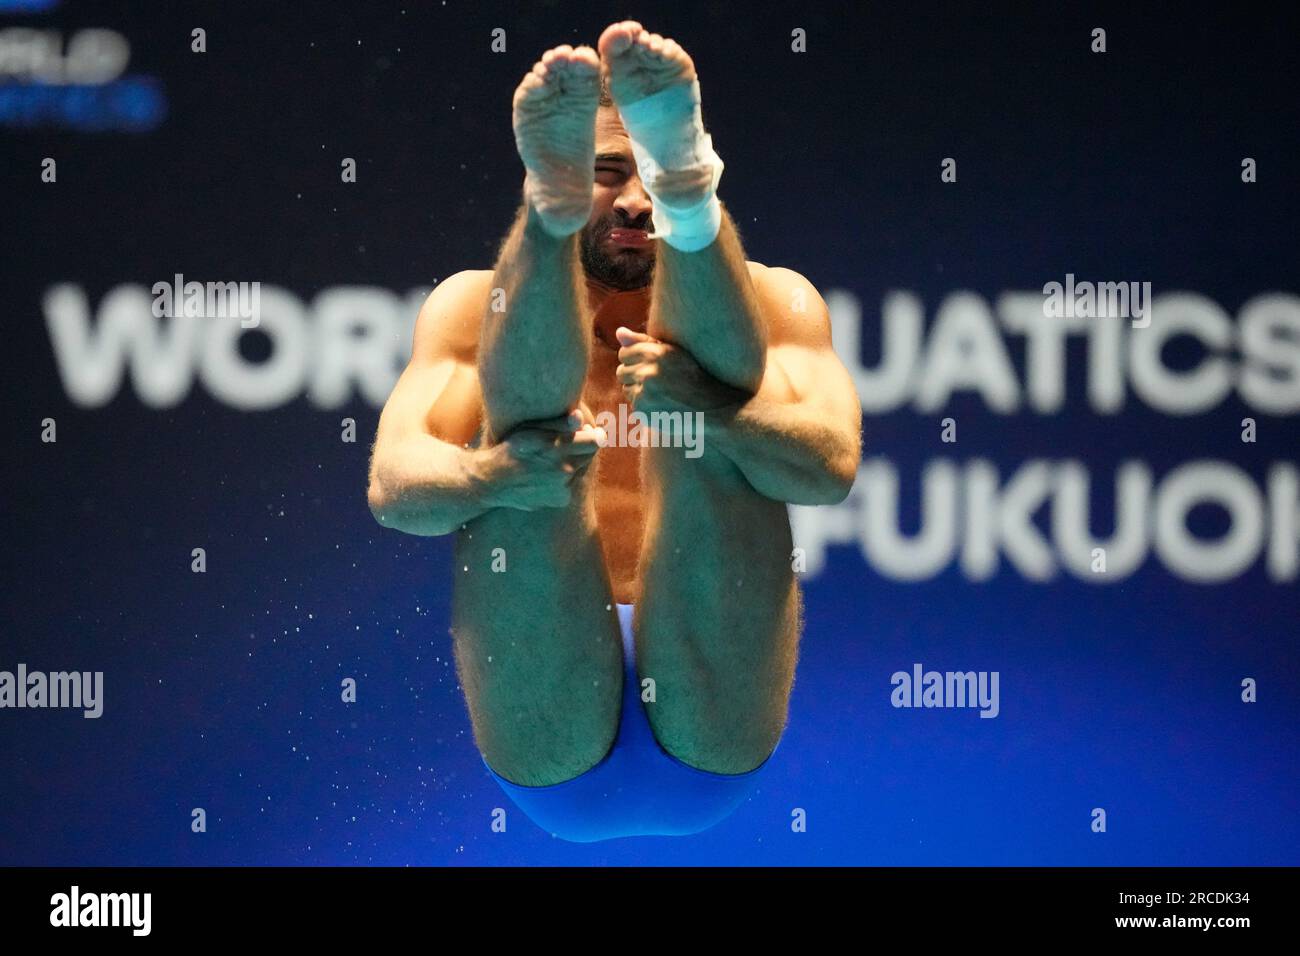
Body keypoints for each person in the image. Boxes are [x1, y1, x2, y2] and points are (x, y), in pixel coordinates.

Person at [367, 21, 861, 841]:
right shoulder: (468, 305)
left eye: (654, 179)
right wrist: (496, 476)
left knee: (713, 433)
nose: (633, 200)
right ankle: (552, 219)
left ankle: (688, 206)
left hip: (713, 716)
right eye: (602, 174)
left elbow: (829, 469)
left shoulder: (779, 302)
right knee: (532, 463)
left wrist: (709, 411)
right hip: (551, 726)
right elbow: (395, 490)